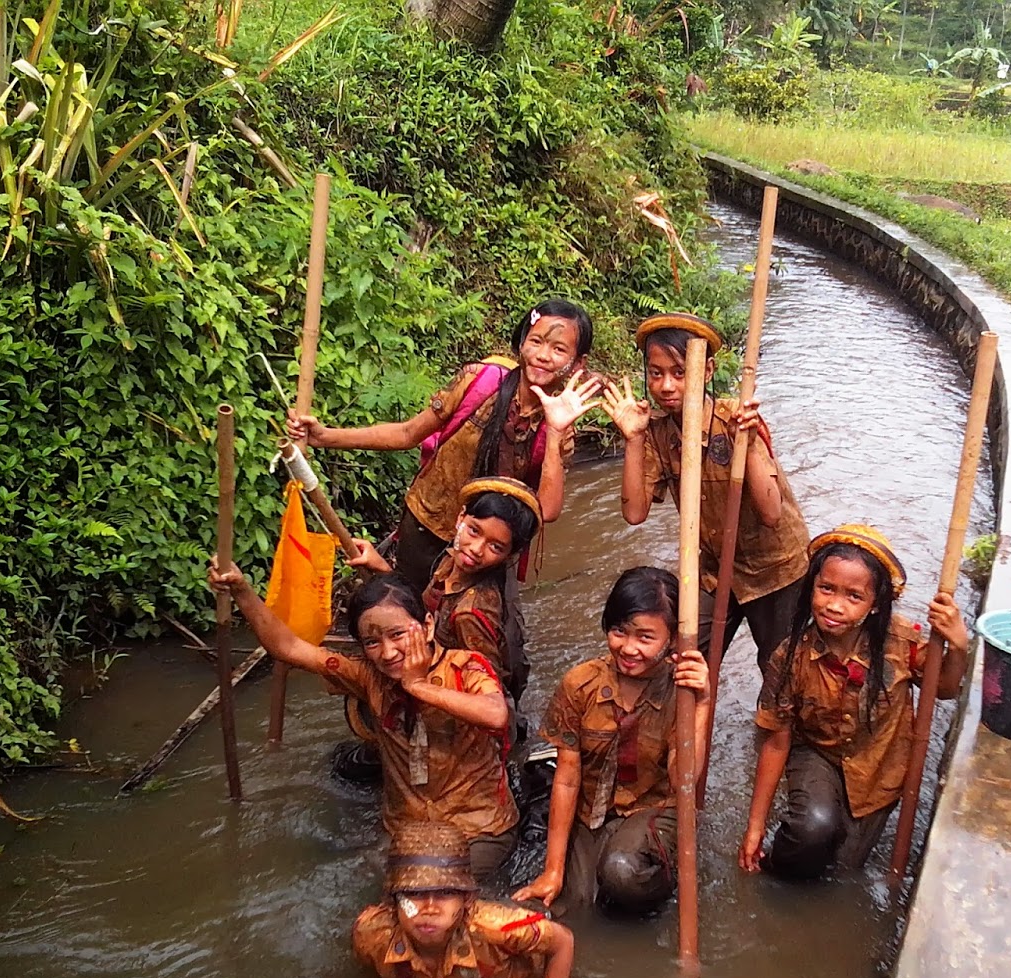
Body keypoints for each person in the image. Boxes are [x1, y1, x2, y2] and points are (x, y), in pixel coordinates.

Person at [208, 560, 520, 881]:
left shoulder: (465, 666)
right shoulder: (370, 676)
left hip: (479, 826)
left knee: (433, 896)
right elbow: (288, 647)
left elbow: (495, 714)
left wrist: (419, 687)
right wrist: (242, 591)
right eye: (372, 642)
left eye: (397, 634)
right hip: (407, 828)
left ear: (427, 625)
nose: (387, 653)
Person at [287, 300, 602, 593]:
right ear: (521, 342)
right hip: (427, 523)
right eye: (536, 341)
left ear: (577, 363)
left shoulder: (560, 425)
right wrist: (324, 436)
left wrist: (557, 430)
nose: (543, 356)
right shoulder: (479, 381)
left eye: (559, 349)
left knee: (468, 624)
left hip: (488, 549)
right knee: (405, 601)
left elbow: (547, 509)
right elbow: (408, 433)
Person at [737, 524, 970, 879]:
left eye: (853, 596)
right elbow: (776, 740)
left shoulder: (901, 643)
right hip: (818, 752)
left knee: (842, 871)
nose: (834, 605)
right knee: (810, 833)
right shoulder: (789, 658)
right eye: (826, 588)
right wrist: (755, 827)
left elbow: (945, 690)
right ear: (811, 589)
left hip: (880, 766)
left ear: (875, 606)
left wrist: (958, 646)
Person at [602, 312, 811, 672]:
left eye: (680, 373)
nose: (667, 386)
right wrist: (633, 438)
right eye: (656, 373)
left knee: (781, 669)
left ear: (708, 371)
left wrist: (746, 442)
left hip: (775, 568)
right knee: (680, 658)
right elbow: (634, 513)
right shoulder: (656, 431)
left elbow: (772, 512)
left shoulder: (736, 418)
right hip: (715, 570)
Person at [513, 567, 710, 916]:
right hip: (593, 810)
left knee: (621, 873)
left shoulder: (682, 691)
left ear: (673, 639)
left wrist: (703, 704)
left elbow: (683, 783)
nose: (628, 648)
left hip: (652, 806)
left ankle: (658, 878)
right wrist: (553, 869)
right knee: (571, 907)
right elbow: (568, 777)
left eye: (645, 637)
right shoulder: (580, 684)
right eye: (619, 631)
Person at [348, 477, 541, 701]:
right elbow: (422, 604)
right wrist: (381, 568)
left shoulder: (470, 614)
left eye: (495, 547)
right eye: (474, 531)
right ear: (460, 518)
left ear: (510, 555)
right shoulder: (452, 562)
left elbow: (488, 685)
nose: (476, 549)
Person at [352, 820, 574, 978]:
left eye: (446, 893)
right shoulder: (371, 935)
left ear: (467, 899)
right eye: (414, 893)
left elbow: (564, 941)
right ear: (393, 901)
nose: (430, 908)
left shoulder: (502, 929)